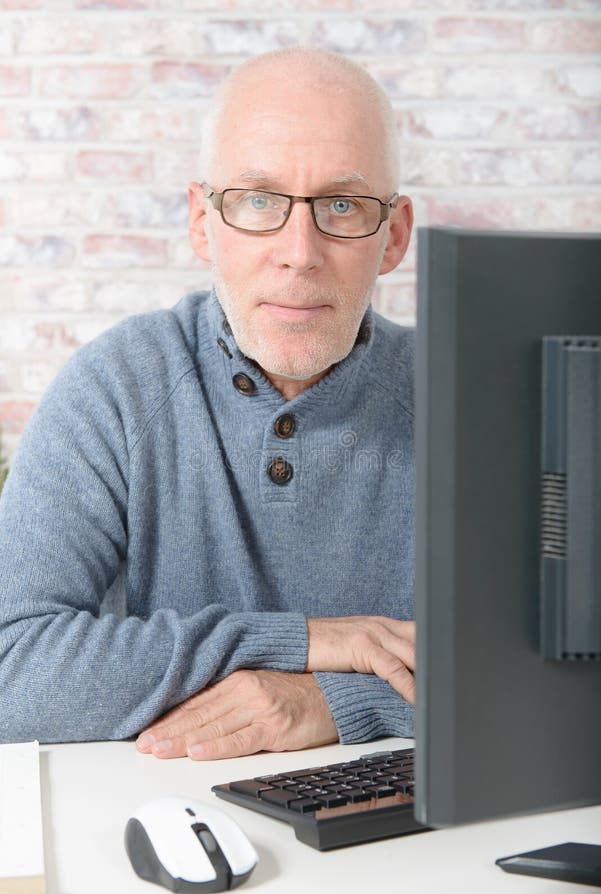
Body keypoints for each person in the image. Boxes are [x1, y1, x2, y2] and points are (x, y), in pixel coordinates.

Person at [0, 47, 416, 761]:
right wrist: (304, 640)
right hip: (165, 815)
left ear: (393, 236)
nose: (298, 251)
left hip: (418, 837)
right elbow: (12, 669)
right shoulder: (117, 388)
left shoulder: (473, 398)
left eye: (341, 205)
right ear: (201, 222)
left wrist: (335, 698)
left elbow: (564, 671)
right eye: (258, 201)